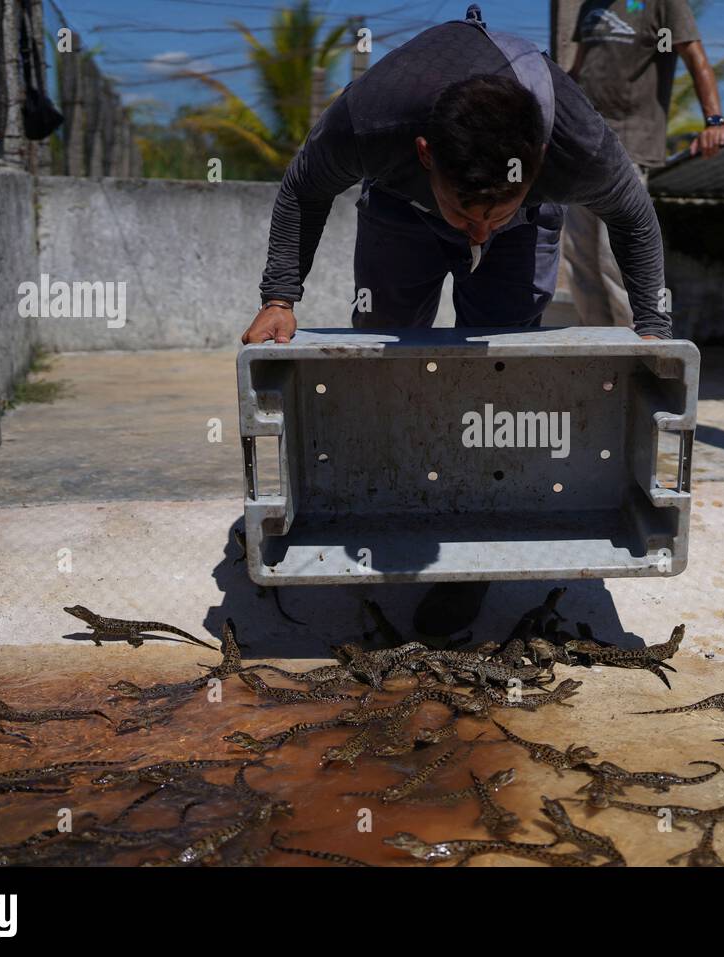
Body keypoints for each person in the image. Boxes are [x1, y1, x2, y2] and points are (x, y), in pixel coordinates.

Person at [241, 6, 671, 637]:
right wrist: (280, 297)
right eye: (465, 212)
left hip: (531, 226)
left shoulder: (576, 143)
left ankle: (472, 558)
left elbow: (635, 217)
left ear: (539, 158)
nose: (477, 232)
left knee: (498, 375)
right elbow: (303, 189)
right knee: (385, 362)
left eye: (494, 210)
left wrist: (655, 326)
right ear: (424, 151)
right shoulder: (374, 119)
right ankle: (392, 497)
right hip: (400, 209)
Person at [564, 0, 724, 327]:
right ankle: (597, 359)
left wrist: (714, 121)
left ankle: (637, 354)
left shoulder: (663, 3)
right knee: (579, 261)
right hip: (581, 144)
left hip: (629, 144)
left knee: (616, 259)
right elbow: (577, 71)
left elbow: (695, 56)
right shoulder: (589, 6)